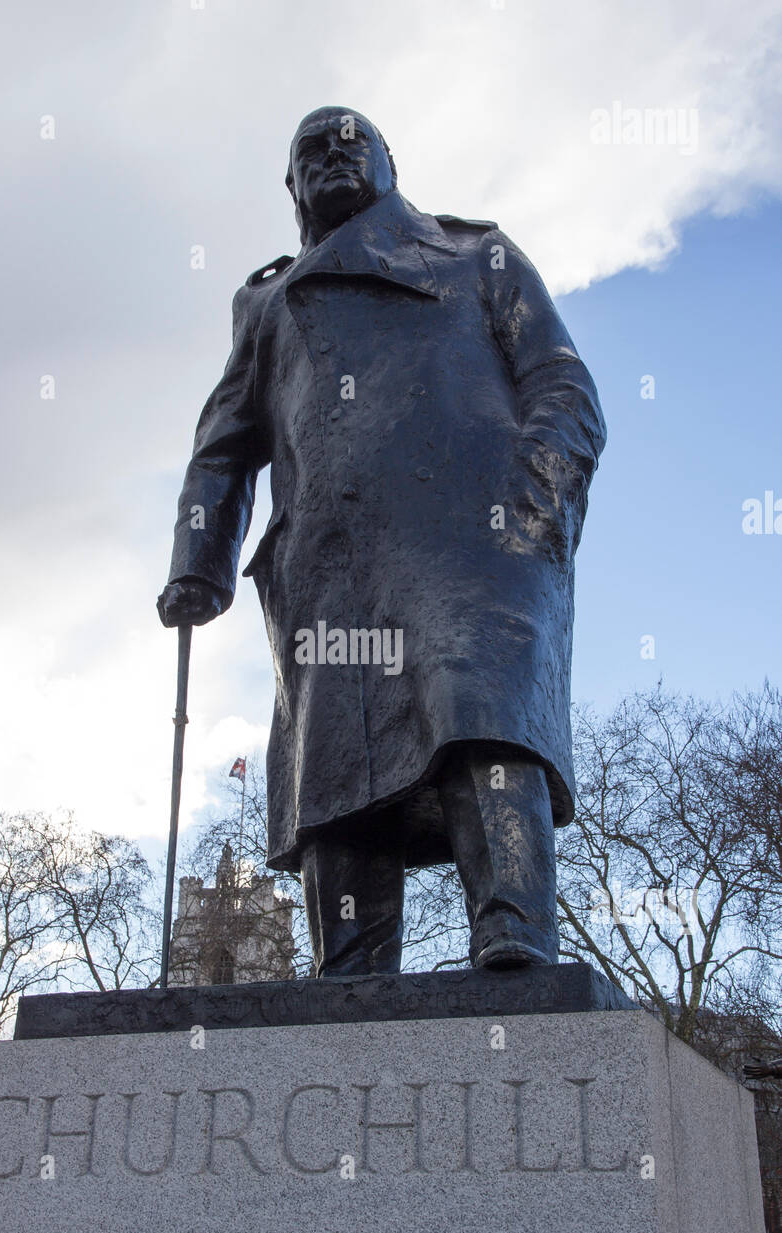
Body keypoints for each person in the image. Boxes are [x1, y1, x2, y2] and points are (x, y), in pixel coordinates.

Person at [159, 107, 605, 977]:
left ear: (393, 163)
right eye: (310, 150)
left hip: (477, 541)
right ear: (291, 188)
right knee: (336, 762)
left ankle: (513, 932)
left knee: (483, 714)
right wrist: (196, 561)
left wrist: (537, 499)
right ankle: (351, 976)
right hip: (330, 560)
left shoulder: (478, 254)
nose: (333, 153)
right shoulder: (269, 301)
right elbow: (222, 446)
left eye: (351, 139)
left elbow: (563, 382)